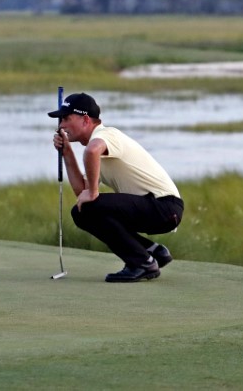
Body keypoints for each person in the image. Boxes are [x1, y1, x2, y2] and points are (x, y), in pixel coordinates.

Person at [49, 92, 183, 282]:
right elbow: (82, 193)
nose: (61, 125)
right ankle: (152, 252)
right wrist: (67, 154)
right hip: (157, 209)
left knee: (88, 207)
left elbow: (92, 152)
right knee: (82, 211)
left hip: (164, 206)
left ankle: (142, 263)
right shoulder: (97, 151)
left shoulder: (106, 135)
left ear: (86, 120)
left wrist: (94, 192)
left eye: (66, 118)